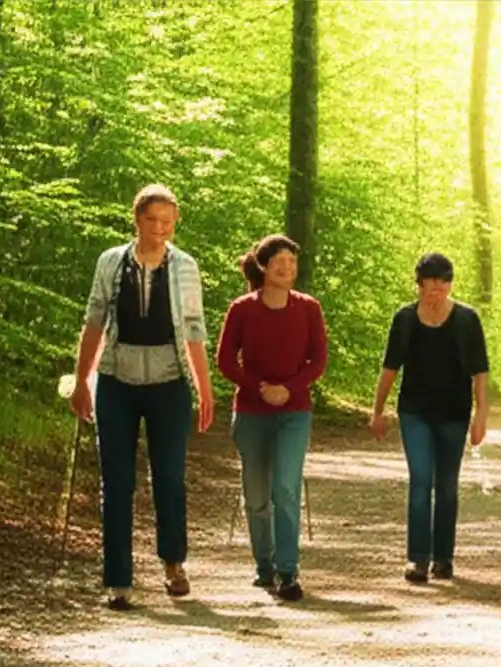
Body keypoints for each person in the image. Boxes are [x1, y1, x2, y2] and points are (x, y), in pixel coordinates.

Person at [68, 184, 215, 610]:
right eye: (152, 220)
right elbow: (94, 321)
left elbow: (194, 329)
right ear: (137, 219)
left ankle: (173, 564)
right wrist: (83, 381)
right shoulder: (111, 262)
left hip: (169, 383)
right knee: (117, 483)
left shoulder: (185, 266)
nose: (159, 229)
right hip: (116, 380)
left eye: (167, 222)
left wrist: (204, 390)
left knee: (169, 477)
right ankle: (118, 579)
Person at [216, 235, 327, 602]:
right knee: (257, 495)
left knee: (285, 488)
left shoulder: (309, 308)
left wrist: (290, 388)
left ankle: (287, 571)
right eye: (280, 261)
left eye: (292, 262)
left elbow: (318, 360)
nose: (287, 268)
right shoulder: (242, 309)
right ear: (263, 266)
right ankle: (264, 565)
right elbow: (226, 360)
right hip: (251, 412)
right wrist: (258, 386)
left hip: (294, 412)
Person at [370, 253, 490, 583]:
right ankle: (417, 559)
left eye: (442, 282)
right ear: (419, 284)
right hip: (415, 412)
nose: (435, 289)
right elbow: (390, 367)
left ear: (450, 284)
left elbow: (480, 372)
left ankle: (443, 558)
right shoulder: (405, 319)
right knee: (421, 480)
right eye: (429, 282)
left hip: (454, 413)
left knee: (447, 485)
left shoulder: (467, 320)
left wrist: (481, 417)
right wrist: (377, 410)